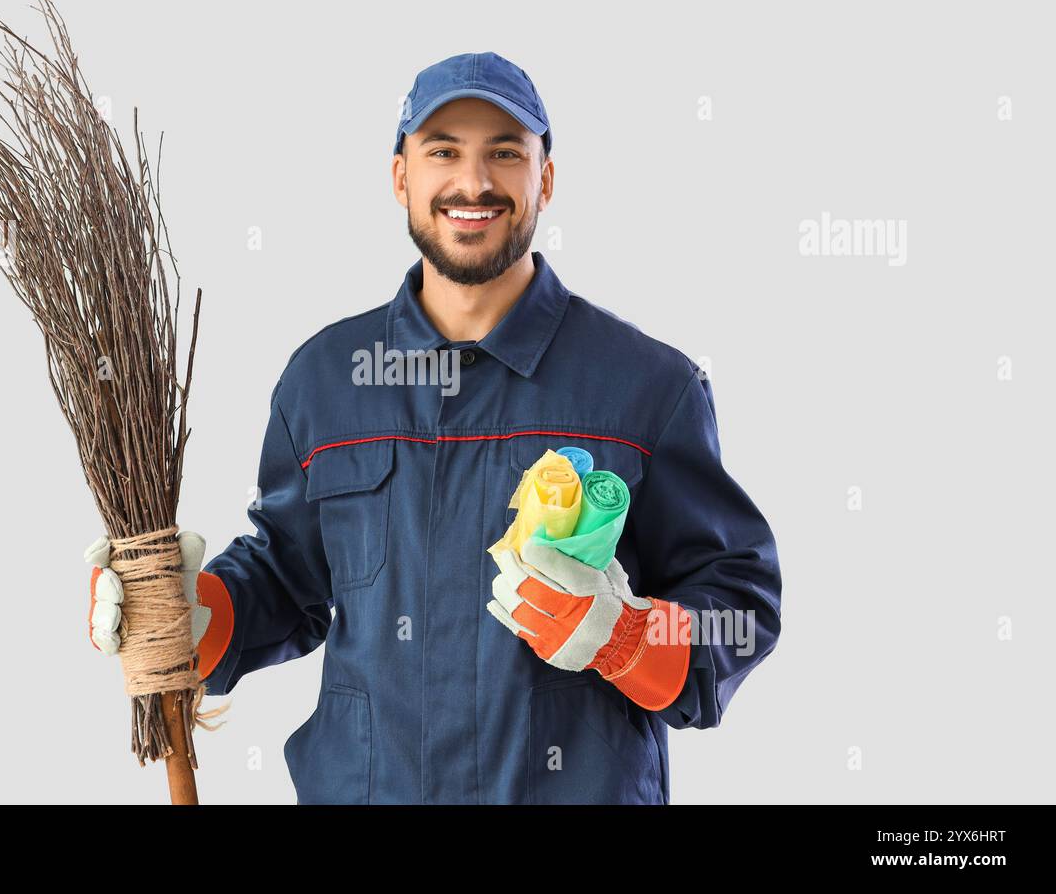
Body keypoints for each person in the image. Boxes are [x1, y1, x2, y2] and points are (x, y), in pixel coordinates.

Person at [86, 52, 782, 804]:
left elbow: (742, 606)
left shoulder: (646, 388)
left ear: (544, 179)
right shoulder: (327, 380)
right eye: (443, 151)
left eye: (505, 153)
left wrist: (630, 638)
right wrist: (196, 615)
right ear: (400, 178)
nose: (474, 182)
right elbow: (289, 578)